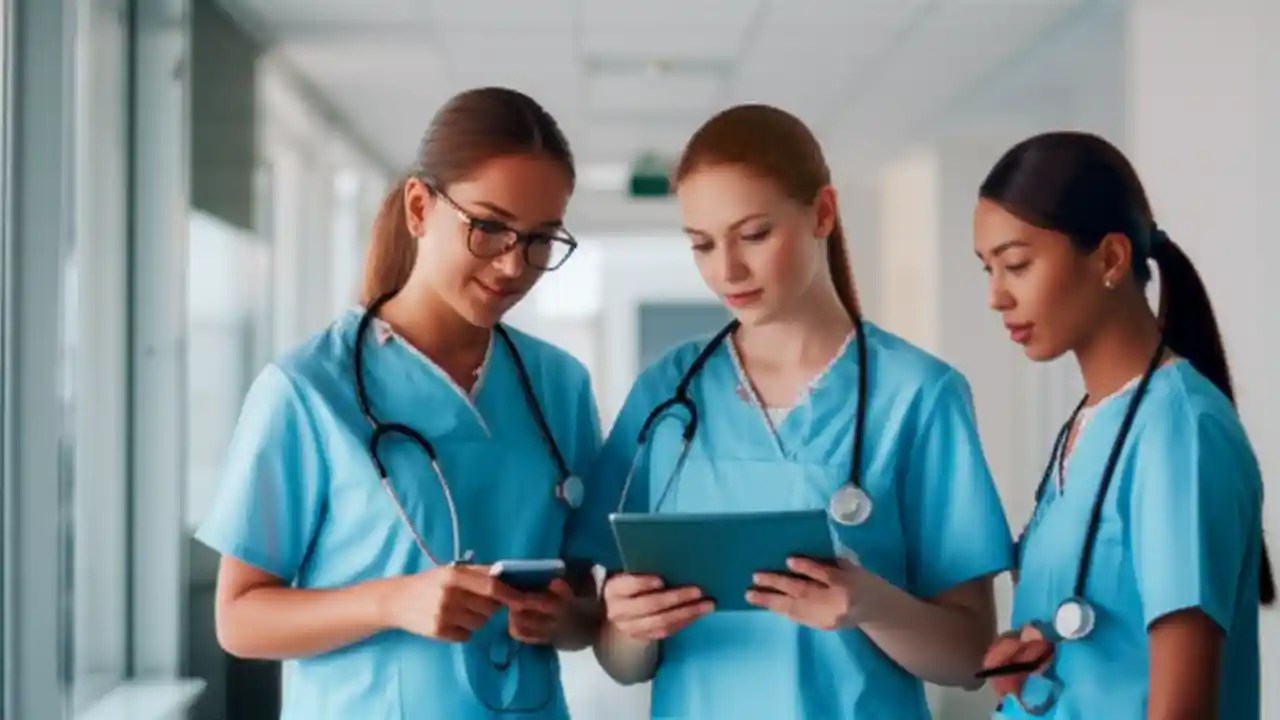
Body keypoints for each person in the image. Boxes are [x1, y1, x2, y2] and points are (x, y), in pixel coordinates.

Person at [579, 104, 1015, 719]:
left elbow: (971, 655)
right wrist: (628, 627)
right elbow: (621, 664)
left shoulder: (918, 396)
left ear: (824, 214)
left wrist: (870, 606)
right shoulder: (666, 396)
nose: (726, 269)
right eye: (702, 244)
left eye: (754, 235)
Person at [195, 87, 605, 720]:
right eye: (489, 227)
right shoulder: (309, 390)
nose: (512, 265)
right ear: (420, 206)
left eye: (540, 240)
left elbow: (585, 611)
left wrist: (563, 618)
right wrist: (389, 603)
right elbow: (239, 619)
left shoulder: (560, 387)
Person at [972, 131, 1275, 719]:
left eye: (1016, 265)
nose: (996, 297)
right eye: (987, 269)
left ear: (1111, 258)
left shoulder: (1178, 432)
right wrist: (1026, 672)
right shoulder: (1086, 428)